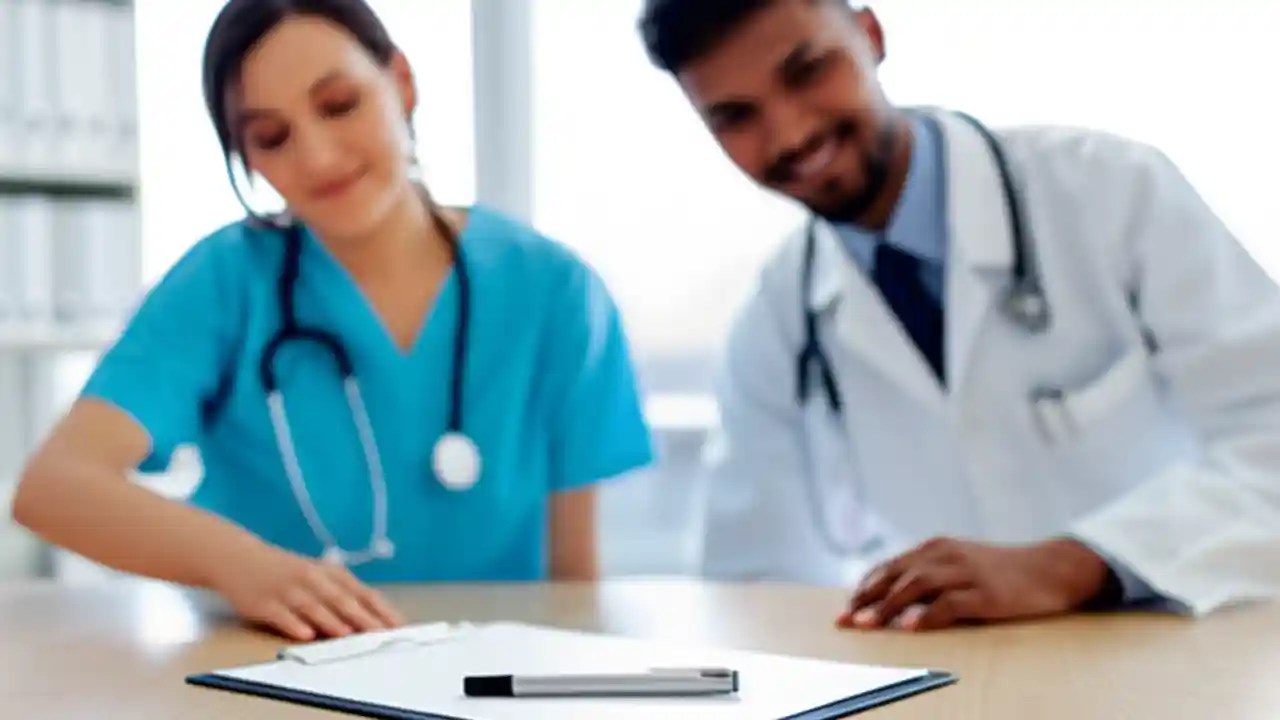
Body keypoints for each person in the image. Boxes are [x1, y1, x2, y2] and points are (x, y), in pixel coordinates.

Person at [11, 0, 654, 642]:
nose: (317, 157)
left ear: (401, 82)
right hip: (271, 665)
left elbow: (575, 590)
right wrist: (244, 567)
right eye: (272, 137)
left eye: (340, 105)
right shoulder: (224, 282)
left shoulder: (554, 290)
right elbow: (53, 488)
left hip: (490, 668)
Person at [638, 0, 1280, 630]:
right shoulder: (777, 321)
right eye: (735, 116)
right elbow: (753, 590)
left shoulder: (1110, 190)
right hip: (951, 677)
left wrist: (1072, 565)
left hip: (1186, 654)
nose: (789, 135)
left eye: (807, 71)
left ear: (871, 34)